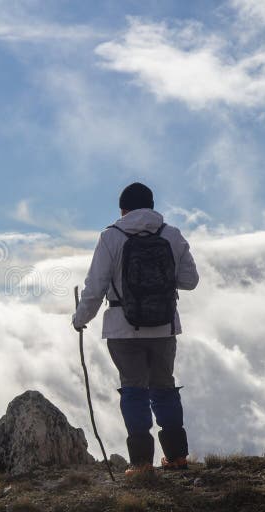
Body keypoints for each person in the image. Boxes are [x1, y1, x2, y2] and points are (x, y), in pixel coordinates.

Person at [72, 182, 199, 476]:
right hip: (165, 326)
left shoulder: (111, 237)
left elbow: (96, 286)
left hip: (122, 328)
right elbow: (190, 280)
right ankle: (178, 458)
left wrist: (81, 318)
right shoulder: (171, 235)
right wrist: (162, 281)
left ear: (123, 209)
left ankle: (141, 464)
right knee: (165, 388)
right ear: (152, 207)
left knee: (134, 390)